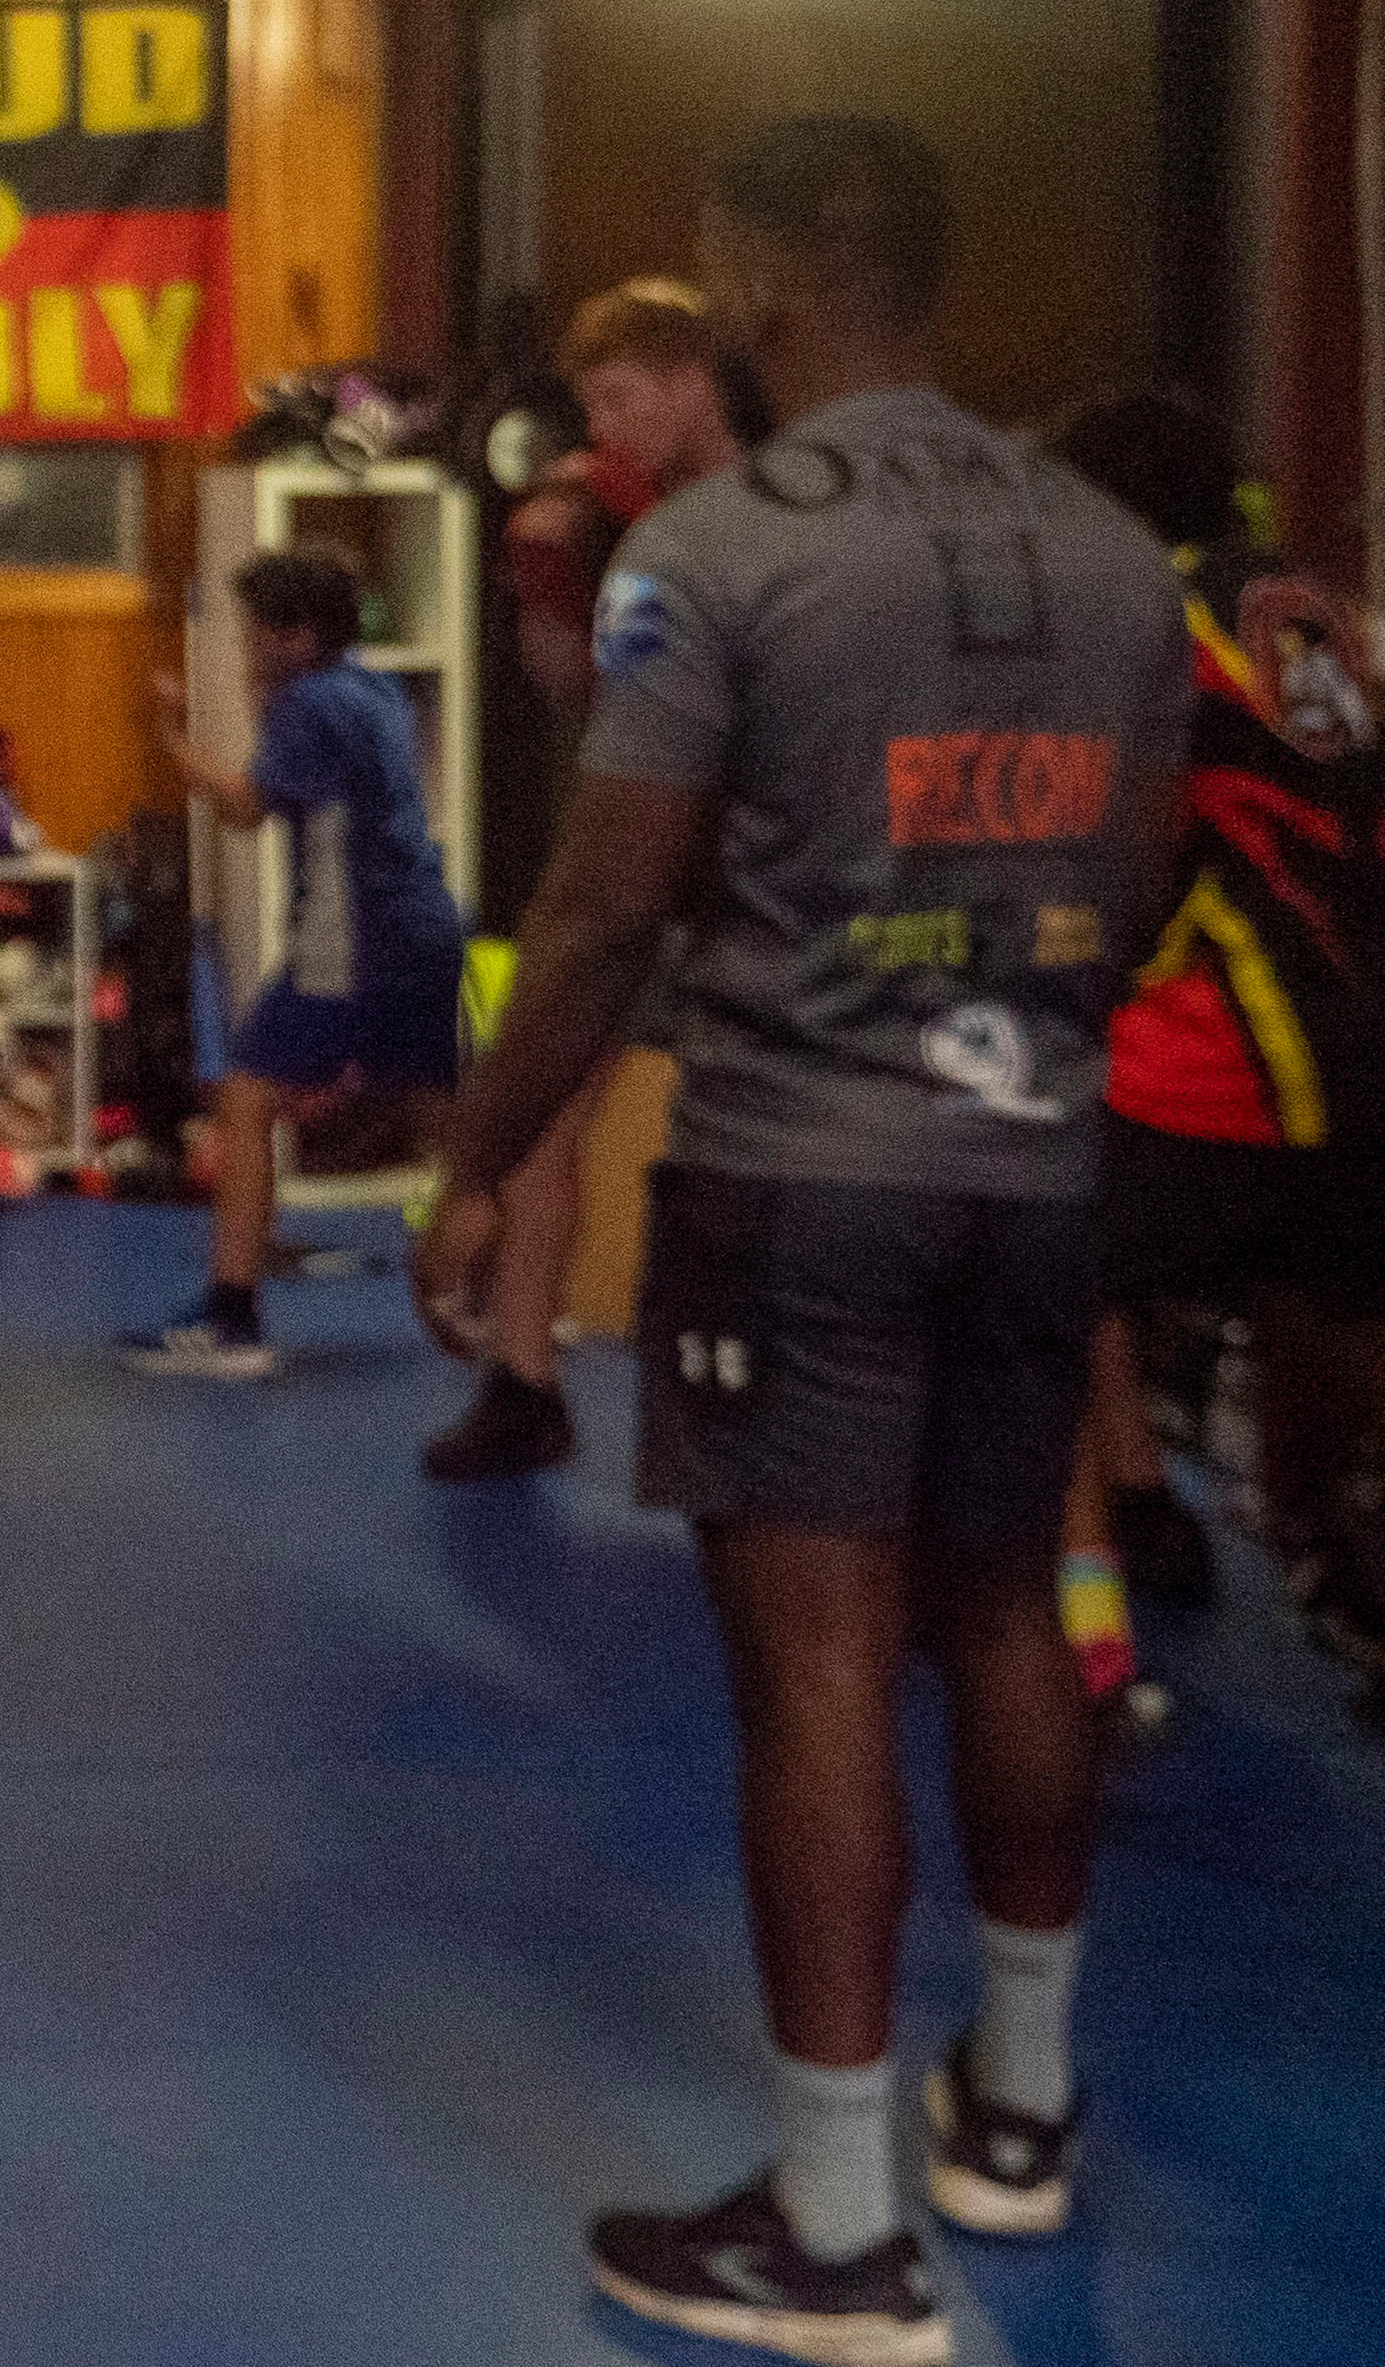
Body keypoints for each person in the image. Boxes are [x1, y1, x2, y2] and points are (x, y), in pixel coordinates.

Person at [417, 115, 1189, 2364]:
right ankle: (1016, 2116)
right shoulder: (1115, 547)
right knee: (1017, 1610)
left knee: (821, 1660)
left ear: (753, 284)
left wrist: (481, 1161)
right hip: (1034, 1159)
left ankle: (837, 2230)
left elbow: (598, 902)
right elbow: (1133, 880)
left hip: (800, 1178)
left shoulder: (723, 550)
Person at [1052, 388, 1385, 1712]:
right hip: (1363, 1030)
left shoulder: (1151, 615)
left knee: (1040, 1276)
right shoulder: (1310, 605)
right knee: (1347, 1318)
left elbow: (1136, 850)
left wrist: (1086, 951)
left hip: (1230, 1040)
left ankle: (1086, 1641)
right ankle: (1176, 1510)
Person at [425, 277, 749, 1480]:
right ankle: (522, 1378)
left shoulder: (772, 517)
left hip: (758, 869)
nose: (599, 422)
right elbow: (569, 688)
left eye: (617, 394)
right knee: (548, 1108)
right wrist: (548, 595)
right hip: (633, 849)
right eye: (588, 400)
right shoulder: (599, 513)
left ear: (689, 382)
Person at [123, 549, 469, 1382]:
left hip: (353, 945)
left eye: (254, 632)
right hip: (424, 925)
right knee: (448, 1125)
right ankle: (508, 1297)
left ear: (295, 636)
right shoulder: (370, 688)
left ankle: (233, 1317)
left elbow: (244, 809)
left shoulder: (310, 704)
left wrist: (169, 738)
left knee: (244, 1099)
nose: (244, 646)